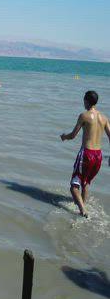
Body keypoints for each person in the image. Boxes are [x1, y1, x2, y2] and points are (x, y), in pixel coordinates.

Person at [60, 90, 110, 218]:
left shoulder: (84, 116)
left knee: (73, 187)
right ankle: (84, 205)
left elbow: (72, 135)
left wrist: (64, 137)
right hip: (98, 155)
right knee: (85, 182)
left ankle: (83, 212)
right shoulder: (104, 118)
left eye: (84, 99)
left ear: (87, 101)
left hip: (86, 154)